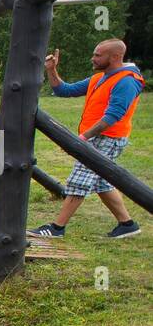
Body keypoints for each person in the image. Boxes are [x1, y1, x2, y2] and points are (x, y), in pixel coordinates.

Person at [29, 39, 143, 239]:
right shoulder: (100, 77)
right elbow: (64, 90)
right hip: (96, 137)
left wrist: (84, 137)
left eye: (98, 55)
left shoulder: (127, 81)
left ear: (115, 57)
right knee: (101, 182)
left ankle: (57, 228)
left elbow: (113, 116)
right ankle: (128, 224)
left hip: (108, 138)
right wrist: (51, 70)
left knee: (79, 180)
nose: (93, 58)